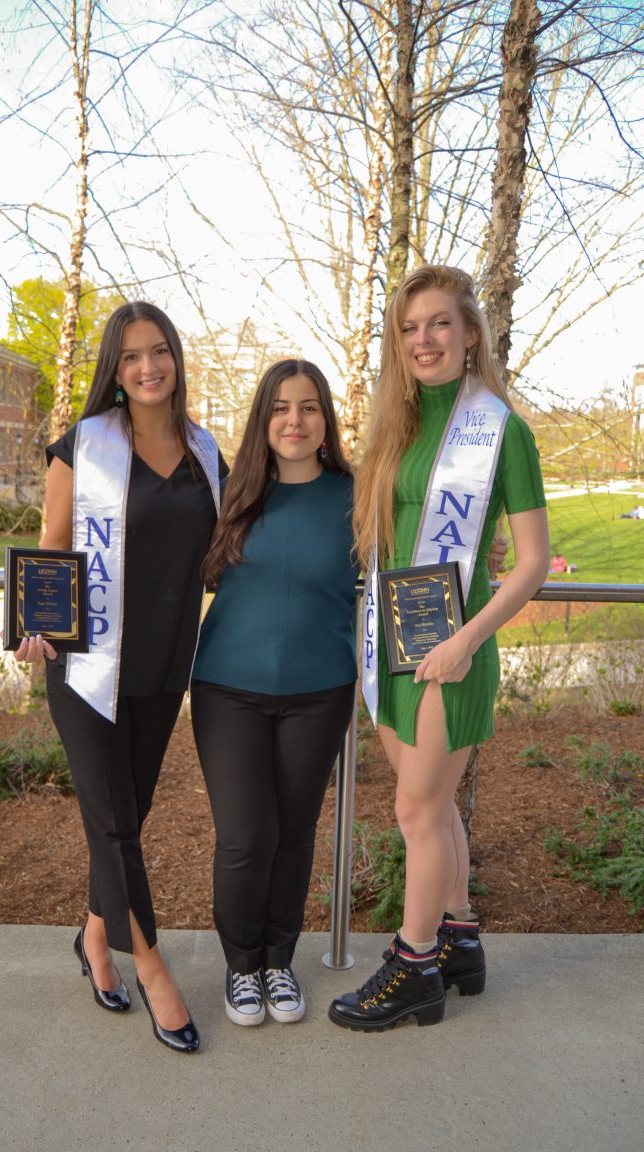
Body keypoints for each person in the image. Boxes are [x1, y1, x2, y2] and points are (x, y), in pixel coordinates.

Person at [329, 265, 549, 1033]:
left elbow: (530, 563)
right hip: (394, 637)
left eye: (439, 324)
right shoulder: (399, 426)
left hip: (449, 649)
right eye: (409, 327)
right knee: (435, 807)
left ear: (470, 335)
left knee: (416, 810)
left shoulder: (502, 429)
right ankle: (459, 941)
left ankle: (413, 966)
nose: (423, 339)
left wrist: (464, 643)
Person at [14, 301, 226, 1054]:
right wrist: (37, 620)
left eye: (159, 351)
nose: (148, 367)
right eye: (132, 355)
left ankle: (93, 940)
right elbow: (53, 542)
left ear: (175, 358)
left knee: (125, 822)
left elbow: (233, 543)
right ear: (116, 365)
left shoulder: (206, 452)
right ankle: (154, 969)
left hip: (165, 663)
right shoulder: (84, 444)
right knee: (111, 823)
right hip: (87, 666)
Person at [190, 359, 359, 1026]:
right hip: (227, 689)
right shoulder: (227, 494)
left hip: (320, 690)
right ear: (263, 419)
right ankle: (242, 968)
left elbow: (420, 547)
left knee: (294, 833)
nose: (295, 419)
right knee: (242, 836)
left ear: (325, 421)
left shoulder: (356, 494)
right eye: (281, 407)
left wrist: (487, 553)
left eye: (310, 406)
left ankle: (278, 963)